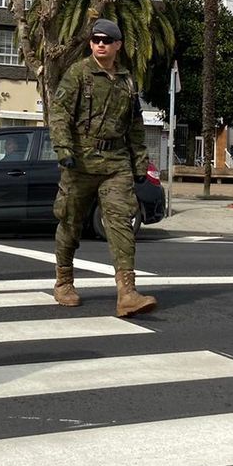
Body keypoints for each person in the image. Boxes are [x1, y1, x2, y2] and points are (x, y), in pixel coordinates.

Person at [50, 18, 156, 317]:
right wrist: (64, 149)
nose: (100, 44)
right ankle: (64, 281)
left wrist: (139, 163)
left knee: (121, 222)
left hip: (116, 163)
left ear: (117, 45)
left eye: (106, 41)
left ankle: (127, 293)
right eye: (95, 40)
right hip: (80, 161)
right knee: (70, 221)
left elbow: (135, 126)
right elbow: (59, 113)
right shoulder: (78, 73)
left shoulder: (127, 80)